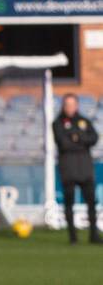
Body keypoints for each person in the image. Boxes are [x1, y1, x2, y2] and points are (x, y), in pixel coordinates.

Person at [53, 93, 100, 244]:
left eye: (72, 104)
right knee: (69, 202)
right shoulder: (58, 123)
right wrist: (81, 140)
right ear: (63, 106)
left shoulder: (83, 121)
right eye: (67, 105)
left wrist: (77, 136)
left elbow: (94, 138)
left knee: (91, 202)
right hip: (68, 168)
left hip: (85, 168)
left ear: (77, 105)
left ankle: (94, 235)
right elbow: (63, 143)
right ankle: (72, 236)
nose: (70, 108)